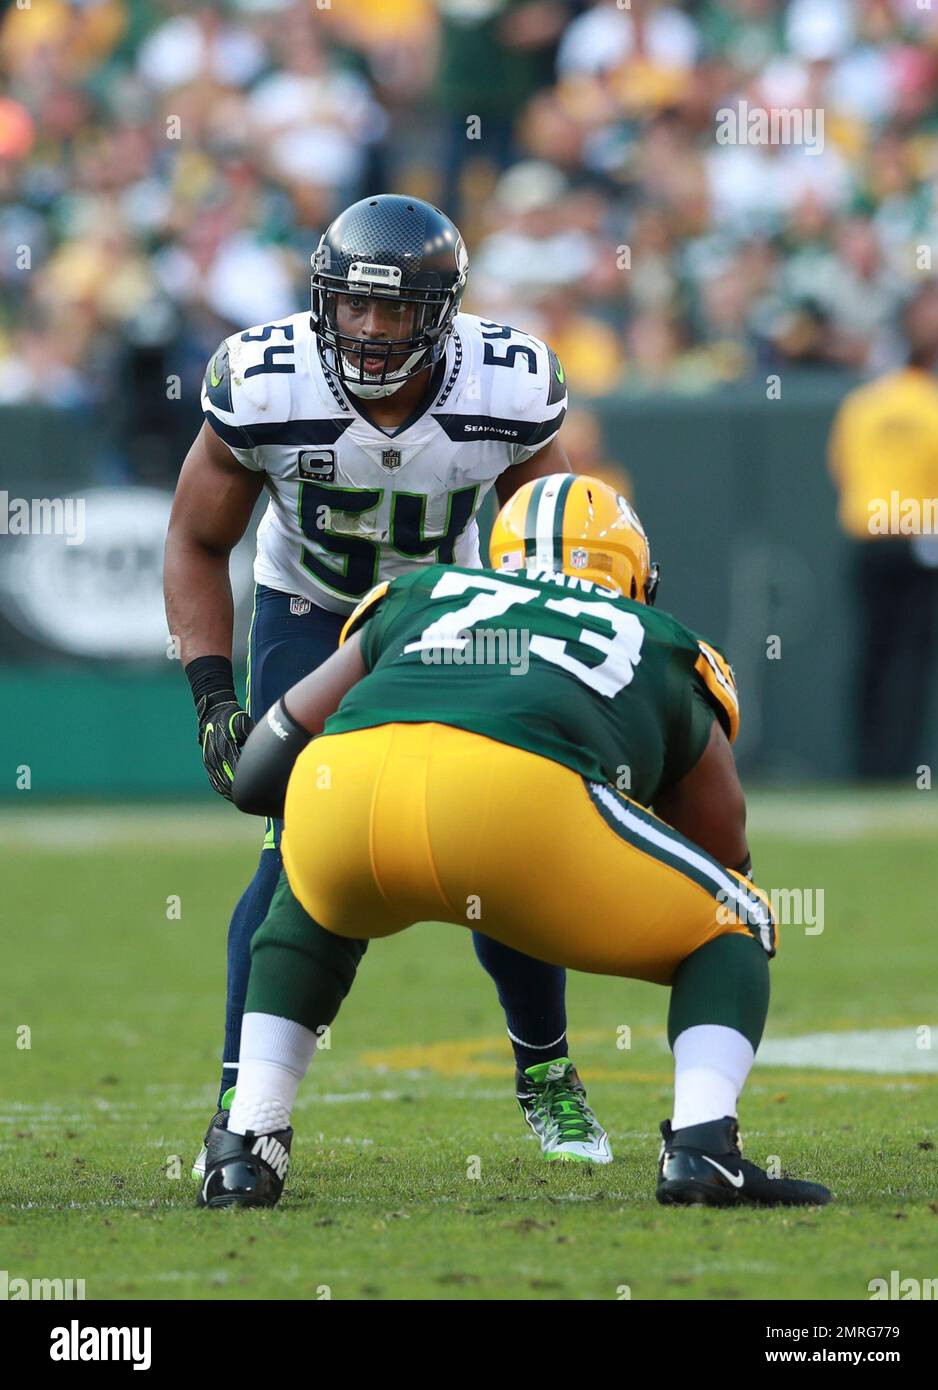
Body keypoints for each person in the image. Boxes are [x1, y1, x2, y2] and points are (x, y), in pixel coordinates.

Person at [199, 473, 833, 1210]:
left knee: (309, 897)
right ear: (635, 575)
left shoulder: (422, 591)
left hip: (345, 784)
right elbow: (723, 845)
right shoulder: (661, 641)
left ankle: (247, 1141)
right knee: (736, 917)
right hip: (519, 802)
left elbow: (261, 771)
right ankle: (702, 1147)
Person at [164, 194, 613, 1176]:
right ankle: (246, 1106)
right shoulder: (266, 381)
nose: (369, 329)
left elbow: (553, 535)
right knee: (299, 846)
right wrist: (211, 693)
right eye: (353, 305)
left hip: (452, 614)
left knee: (497, 841)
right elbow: (197, 540)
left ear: (442, 313)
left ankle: (546, 1069)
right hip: (311, 613)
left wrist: (556, 658)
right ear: (321, 298)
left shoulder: (504, 382)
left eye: (395, 308)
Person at [828, 281, 938, 779]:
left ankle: (868, 767)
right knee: (913, 661)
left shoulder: (862, 404)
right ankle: (901, 768)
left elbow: (842, 469)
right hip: (920, 545)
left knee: (871, 656)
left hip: (869, 540)